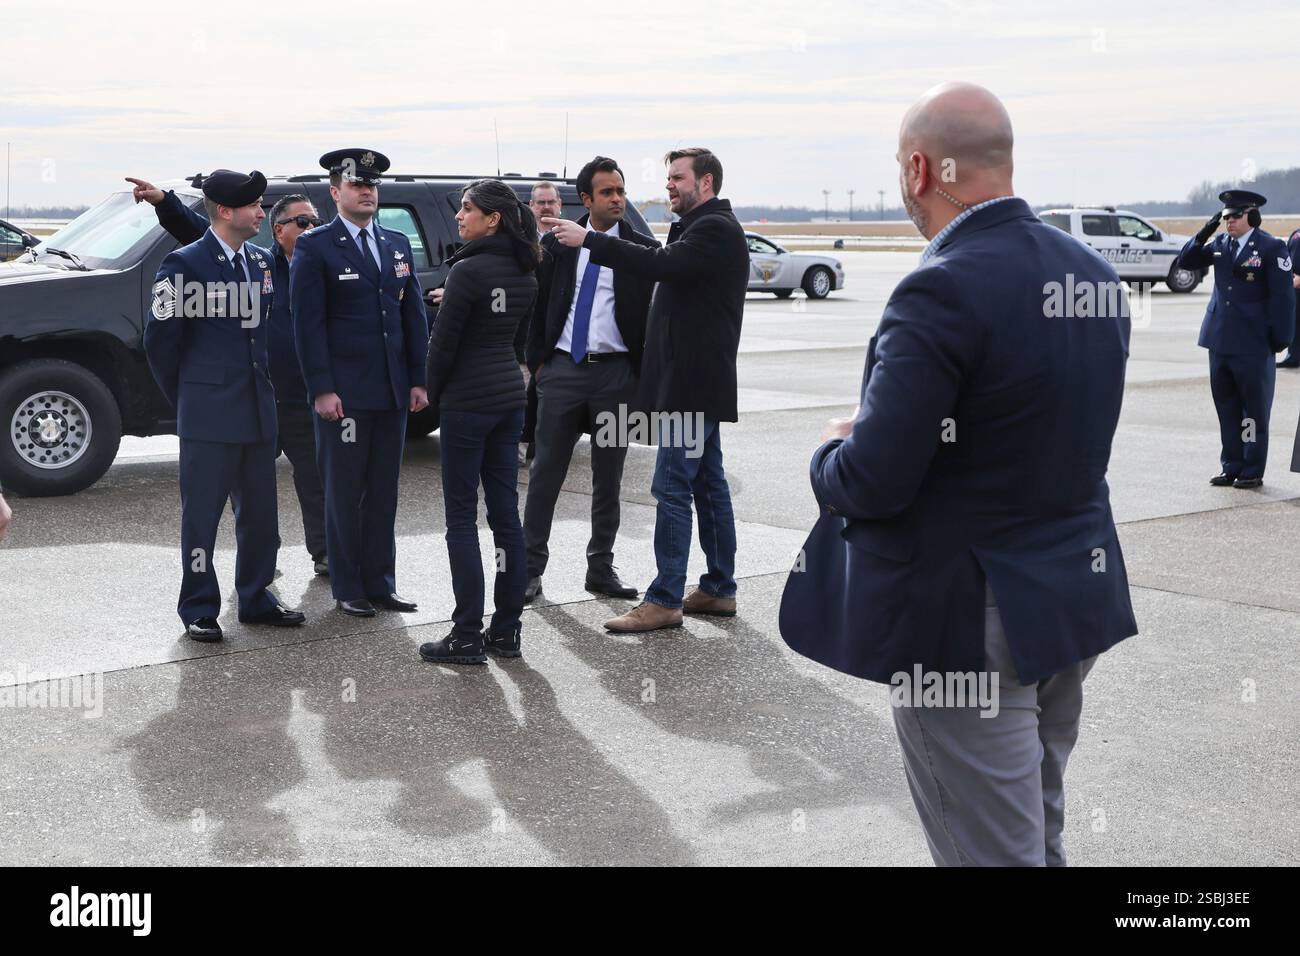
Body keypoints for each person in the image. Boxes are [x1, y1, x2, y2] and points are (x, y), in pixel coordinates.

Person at [780, 83, 1138, 866]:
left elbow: (875, 479)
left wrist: (832, 449)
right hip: (1066, 601)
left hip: (968, 624)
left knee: (991, 853)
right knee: (1036, 834)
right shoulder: (1091, 275)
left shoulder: (941, 285)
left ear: (920, 169)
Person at [542, 147, 748, 634]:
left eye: (678, 178)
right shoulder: (699, 227)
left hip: (690, 388)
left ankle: (665, 598)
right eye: (669, 178)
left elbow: (659, 264)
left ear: (707, 183)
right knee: (708, 486)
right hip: (695, 385)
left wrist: (590, 240)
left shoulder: (714, 228)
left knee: (672, 486)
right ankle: (719, 588)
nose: (669, 186)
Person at [128, 177, 329, 575]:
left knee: (294, 494)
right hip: (230, 402)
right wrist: (192, 395)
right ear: (279, 229)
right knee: (213, 506)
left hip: (290, 399)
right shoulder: (250, 260)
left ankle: (304, 566)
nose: (311, 230)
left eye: (315, 223)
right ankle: (216, 596)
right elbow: (210, 242)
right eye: (301, 222)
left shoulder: (297, 266)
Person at [290, 148, 429, 617]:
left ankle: (380, 582)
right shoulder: (316, 246)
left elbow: (411, 318)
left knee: (383, 489)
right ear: (335, 193)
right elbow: (307, 325)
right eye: (356, 184)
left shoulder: (395, 243)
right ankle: (348, 586)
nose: (367, 191)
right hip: (344, 396)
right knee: (345, 490)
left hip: (390, 391)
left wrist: (417, 379)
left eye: (372, 185)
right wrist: (322, 389)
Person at [522, 156, 658, 605]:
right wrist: (540, 365)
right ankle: (529, 570)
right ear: (586, 199)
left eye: (621, 191)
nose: (617, 199)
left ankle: (600, 567)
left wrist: (640, 377)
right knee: (545, 474)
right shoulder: (558, 244)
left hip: (616, 376)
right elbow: (536, 307)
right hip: (562, 372)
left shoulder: (640, 248)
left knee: (609, 477)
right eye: (607, 192)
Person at [419, 179, 539, 665]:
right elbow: (517, 341)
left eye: (467, 209)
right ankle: (506, 630)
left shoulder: (468, 271)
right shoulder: (526, 267)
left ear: (493, 219)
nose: (459, 216)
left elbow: (442, 348)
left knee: (461, 520)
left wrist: (430, 397)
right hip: (510, 397)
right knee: (506, 516)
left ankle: (467, 632)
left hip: (469, 402)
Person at [1178, 190, 1295, 488]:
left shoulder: (1271, 248)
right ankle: (1231, 464)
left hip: (1253, 343)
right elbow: (1187, 260)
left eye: (1235, 216)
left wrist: (1280, 340)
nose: (1229, 222)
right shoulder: (1219, 244)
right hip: (1219, 340)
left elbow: (1282, 298)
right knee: (1227, 407)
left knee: (1252, 411)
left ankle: (1251, 468)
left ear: (1251, 216)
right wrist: (1207, 229)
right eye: (1226, 217)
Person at [1277, 226, 1300, 368]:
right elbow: (1286, 256)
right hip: (1294, 285)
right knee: (1295, 322)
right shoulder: (1296, 233)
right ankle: (1293, 356)